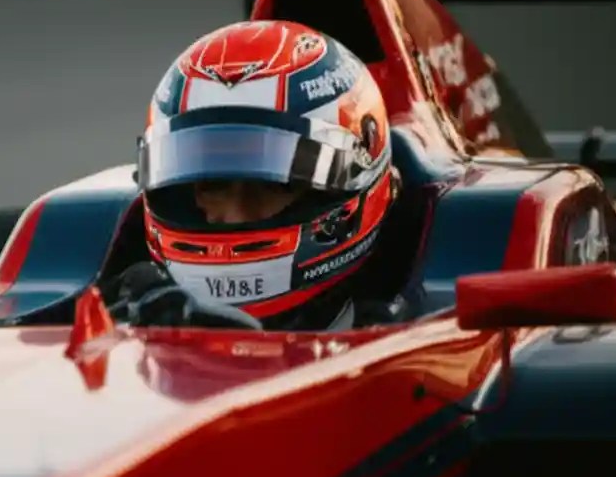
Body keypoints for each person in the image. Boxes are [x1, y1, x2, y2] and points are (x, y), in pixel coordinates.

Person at [113, 19, 405, 331]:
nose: (237, 215)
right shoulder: (122, 316)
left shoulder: (422, 331)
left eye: (273, 185)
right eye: (213, 184)